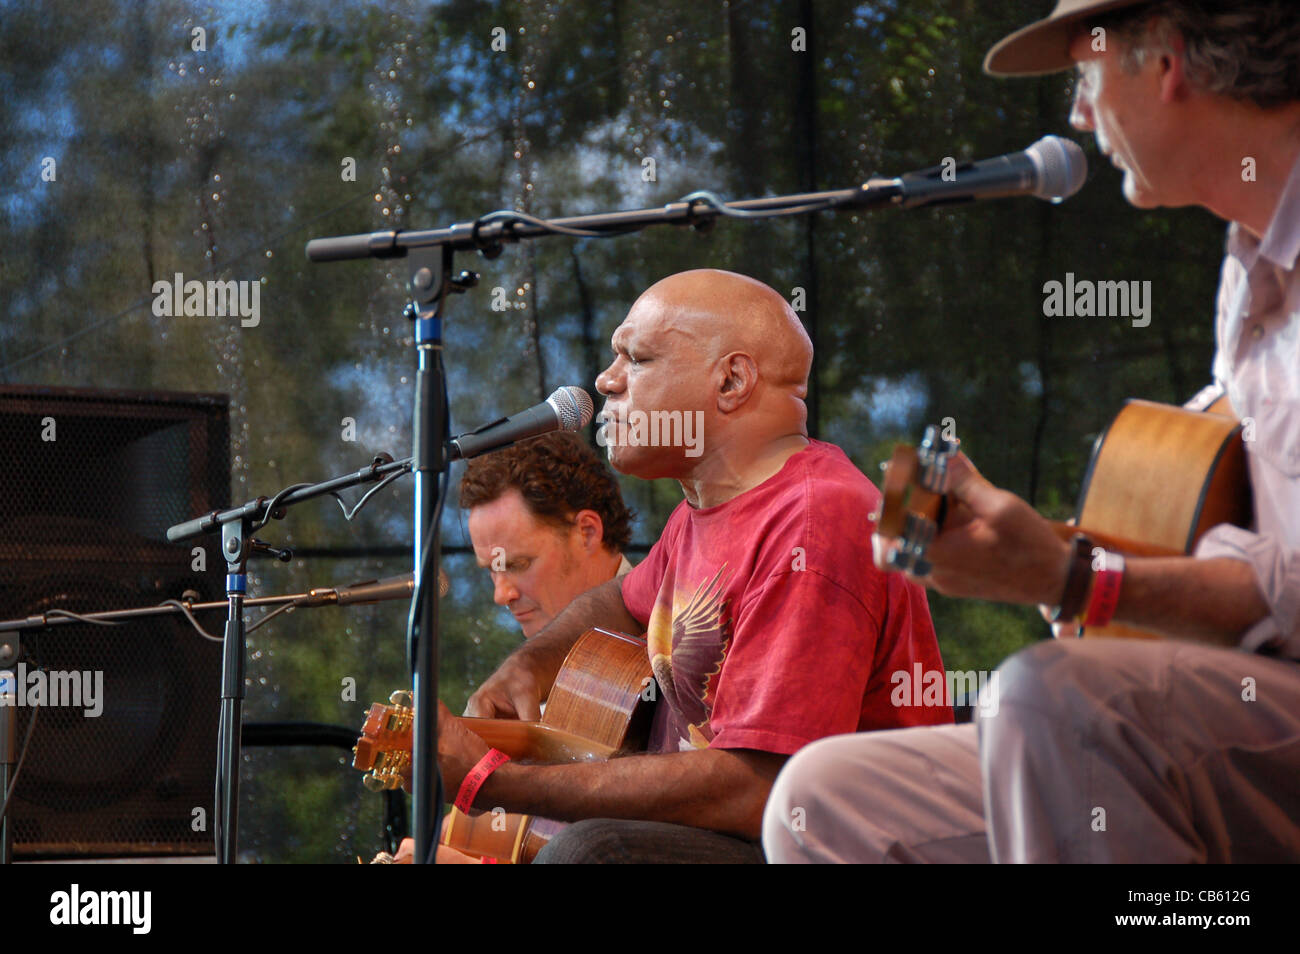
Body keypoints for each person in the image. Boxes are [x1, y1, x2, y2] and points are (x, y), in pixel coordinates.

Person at [762, 0, 1300, 863]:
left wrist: (1078, 577)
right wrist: (1038, 554)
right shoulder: (1248, 269)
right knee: (827, 801)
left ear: (1167, 67)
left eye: (1086, 78)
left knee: (1052, 700)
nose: (1079, 118)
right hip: (1250, 711)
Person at [432, 268, 951, 864]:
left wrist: (494, 783)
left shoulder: (814, 522)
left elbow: (759, 790)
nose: (606, 380)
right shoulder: (701, 512)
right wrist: (529, 664)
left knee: (597, 854)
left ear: (731, 380)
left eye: (637, 358)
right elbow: (619, 602)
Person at [458, 431, 635, 638]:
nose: (501, 595)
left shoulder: (672, 646)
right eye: (492, 569)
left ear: (587, 532)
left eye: (518, 564)